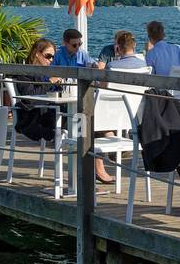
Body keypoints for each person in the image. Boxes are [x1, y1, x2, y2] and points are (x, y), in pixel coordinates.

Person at [18, 38, 114, 183]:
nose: (51, 60)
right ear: (37, 54)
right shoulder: (24, 72)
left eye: (53, 57)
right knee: (84, 124)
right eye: (48, 56)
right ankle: (94, 170)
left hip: (56, 112)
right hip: (39, 119)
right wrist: (50, 82)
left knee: (86, 122)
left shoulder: (48, 71)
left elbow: (53, 92)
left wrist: (58, 84)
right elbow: (30, 97)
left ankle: (91, 170)